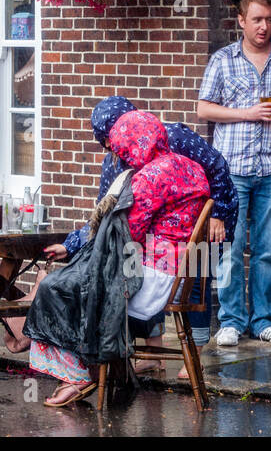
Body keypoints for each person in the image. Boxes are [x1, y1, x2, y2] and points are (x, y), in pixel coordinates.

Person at [2, 95, 237, 355]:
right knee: (116, 270)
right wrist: (72, 245)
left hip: (174, 254)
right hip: (160, 253)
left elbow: (122, 229)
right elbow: (105, 216)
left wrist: (220, 214)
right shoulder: (131, 163)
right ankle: (132, 354)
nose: (110, 148)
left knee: (88, 285)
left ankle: (90, 360)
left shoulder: (163, 156)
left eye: (112, 141)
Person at [24, 110, 210, 406]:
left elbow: (126, 233)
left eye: (122, 150)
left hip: (155, 278)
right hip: (178, 272)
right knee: (76, 281)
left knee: (59, 288)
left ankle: (77, 374)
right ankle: (89, 368)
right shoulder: (190, 167)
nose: (120, 157)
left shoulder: (151, 176)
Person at [197, 0, 271, 346]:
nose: (264, 27)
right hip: (231, 170)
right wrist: (246, 113)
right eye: (257, 20)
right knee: (229, 246)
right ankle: (230, 320)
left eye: (270, 20)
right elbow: (203, 109)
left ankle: (263, 320)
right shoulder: (223, 60)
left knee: (266, 249)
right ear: (241, 21)